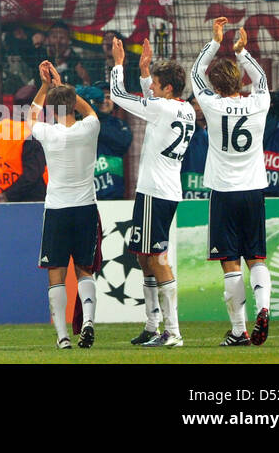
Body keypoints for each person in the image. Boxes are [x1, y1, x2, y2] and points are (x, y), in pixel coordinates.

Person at [191, 17, 273, 347]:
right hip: (254, 189)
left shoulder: (210, 105)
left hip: (224, 192)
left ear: (214, 85)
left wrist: (215, 42)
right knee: (257, 257)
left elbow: (196, 72)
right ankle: (264, 308)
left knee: (230, 261)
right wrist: (242, 52)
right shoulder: (259, 102)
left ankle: (239, 331)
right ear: (240, 80)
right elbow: (263, 79)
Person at [109, 38, 194, 348]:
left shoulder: (162, 108)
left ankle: (172, 332)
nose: (153, 89)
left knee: (156, 258)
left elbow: (120, 96)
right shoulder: (183, 110)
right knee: (144, 256)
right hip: (166, 189)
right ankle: (152, 325)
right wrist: (145, 72)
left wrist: (119, 63)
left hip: (155, 191)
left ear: (168, 89)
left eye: (157, 85)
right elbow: (153, 105)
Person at [29, 63, 101, 349]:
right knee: (85, 269)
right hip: (85, 207)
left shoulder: (47, 133)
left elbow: (32, 114)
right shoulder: (90, 128)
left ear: (53, 111)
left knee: (56, 273)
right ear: (73, 105)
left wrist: (47, 87)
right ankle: (89, 322)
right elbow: (90, 111)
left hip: (57, 209)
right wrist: (63, 88)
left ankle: (62, 337)